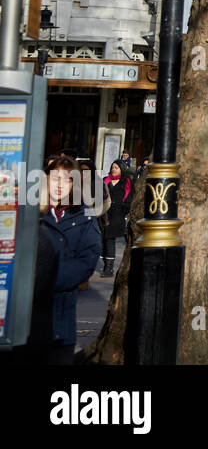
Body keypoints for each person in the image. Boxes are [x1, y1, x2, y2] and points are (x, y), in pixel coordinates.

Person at [41, 156, 101, 364]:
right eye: (55, 177)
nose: (60, 184)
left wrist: (47, 278)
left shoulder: (84, 216)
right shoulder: (31, 213)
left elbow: (87, 260)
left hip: (62, 323)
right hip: (27, 321)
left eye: (67, 179)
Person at [99, 159, 131, 277]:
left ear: (121, 169)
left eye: (116, 167)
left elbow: (129, 198)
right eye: (112, 167)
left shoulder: (127, 182)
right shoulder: (105, 180)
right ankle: (106, 264)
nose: (113, 169)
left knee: (110, 240)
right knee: (103, 240)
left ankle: (109, 268)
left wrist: (124, 208)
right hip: (104, 214)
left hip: (117, 216)